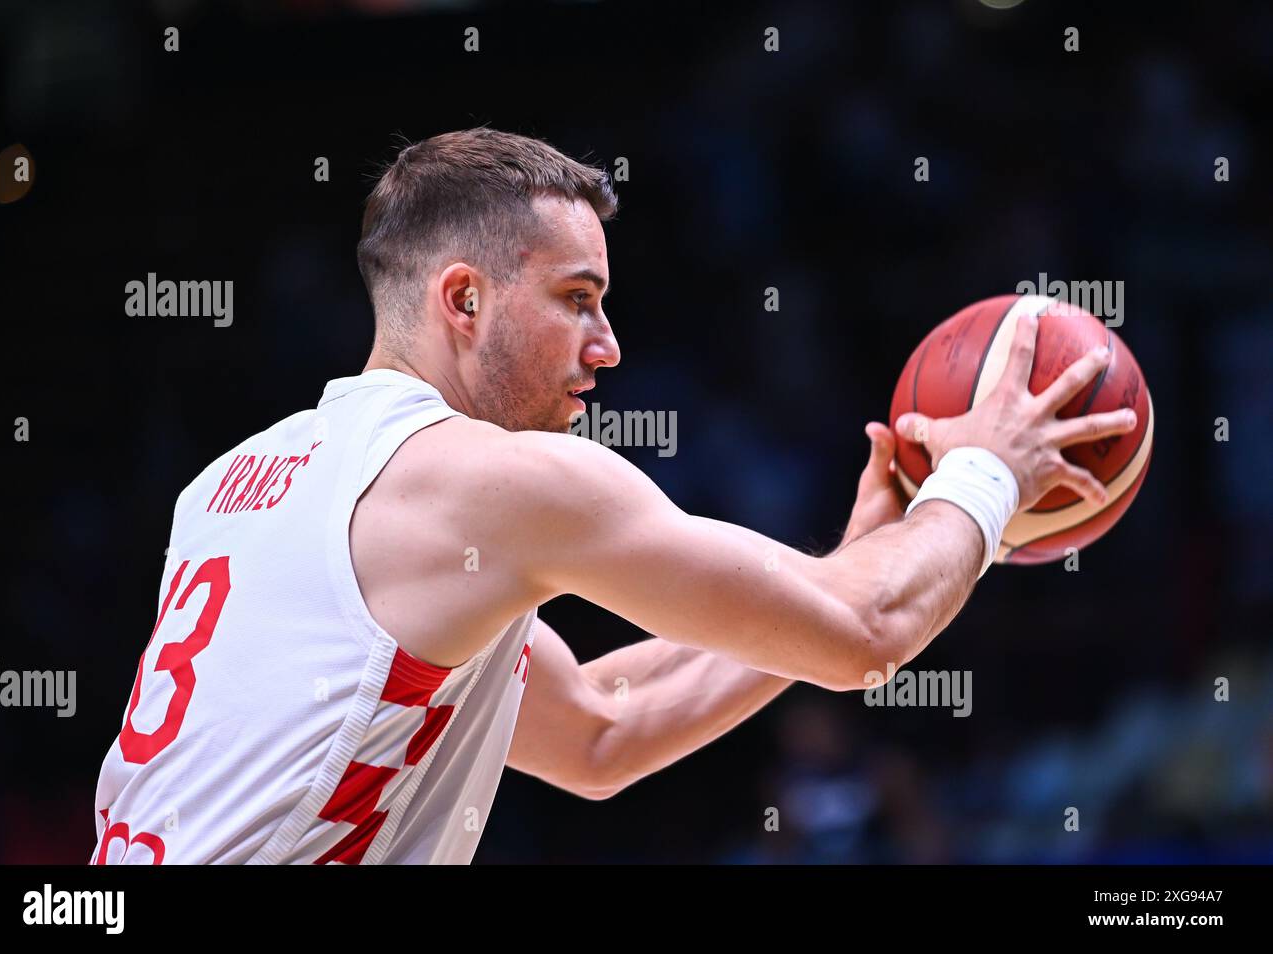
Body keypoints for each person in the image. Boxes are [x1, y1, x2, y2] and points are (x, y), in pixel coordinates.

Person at [89, 128, 1136, 865]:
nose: (609, 347)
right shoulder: (484, 482)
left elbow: (599, 730)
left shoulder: (235, 482)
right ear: (463, 298)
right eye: (577, 301)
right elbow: (865, 636)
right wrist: (986, 472)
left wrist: (844, 559)